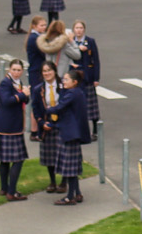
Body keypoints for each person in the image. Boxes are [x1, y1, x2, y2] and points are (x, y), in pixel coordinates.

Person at [49, 67, 91, 205]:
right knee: (73, 165)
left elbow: (60, 107)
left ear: (74, 82)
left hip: (70, 133)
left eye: (66, 79)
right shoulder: (78, 92)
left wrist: (46, 109)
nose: (64, 81)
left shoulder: (72, 93)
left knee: (70, 168)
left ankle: (70, 197)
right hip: (74, 132)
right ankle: (77, 193)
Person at [0, 61, 30, 201]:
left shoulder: (18, 83)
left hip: (10, 126)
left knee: (5, 160)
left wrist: (26, 94)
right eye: (14, 69)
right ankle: (11, 192)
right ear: (9, 69)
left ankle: (4, 188)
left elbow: (25, 100)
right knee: (18, 159)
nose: (16, 72)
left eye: (19, 70)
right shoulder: (5, 83)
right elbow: (7, 101)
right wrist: (23, 95)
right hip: (9, 127)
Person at [33, 60, 65, 194]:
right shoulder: (38, 89)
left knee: (63, 154)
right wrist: (41, 123)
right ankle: (52, 181)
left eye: (49, 70)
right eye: (44, 71)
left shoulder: (63, 86)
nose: (47, 73)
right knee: (50, 155)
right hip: (47, 124)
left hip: (62, 124)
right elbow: (36, 109)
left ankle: (64, 182)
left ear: (54, 71)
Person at [65, 20, 102, 133]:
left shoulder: (90, 41)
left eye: (81, 28)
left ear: (84, 29)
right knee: (77, 104)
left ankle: (95, 129)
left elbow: (95, 60)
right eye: (76, 28)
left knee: (92, 105)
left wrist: (96, 78)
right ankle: (79, 129)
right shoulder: (70, 42)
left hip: (87, 77)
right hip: (75, 77)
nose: (79, 30)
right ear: (73, 30)